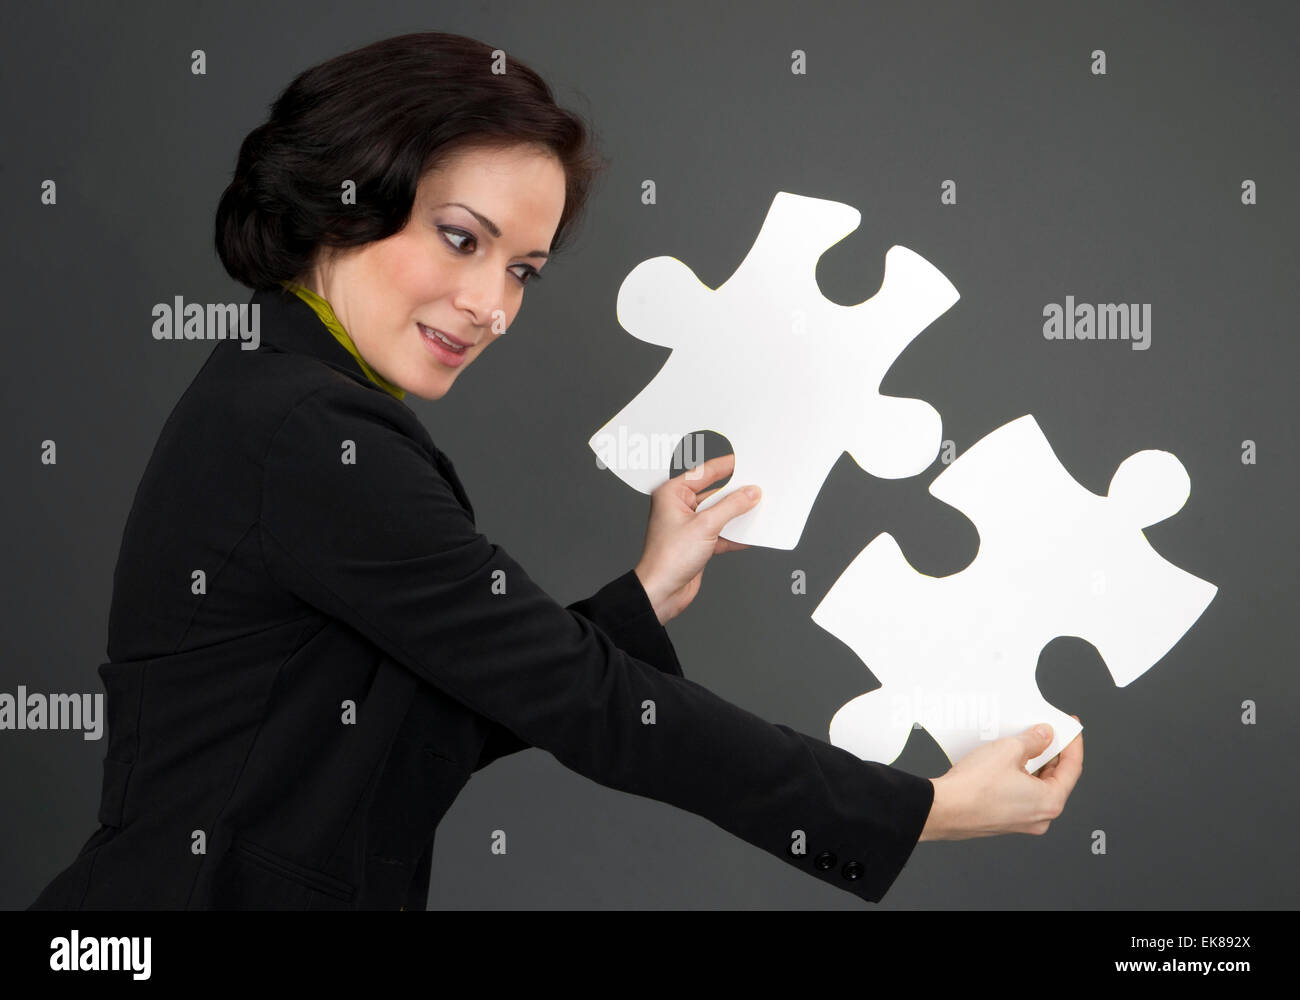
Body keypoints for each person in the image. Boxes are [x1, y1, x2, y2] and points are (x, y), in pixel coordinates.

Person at [28, 30, 1082, 911]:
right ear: (343, 200)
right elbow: (592, 705)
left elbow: (411, 720)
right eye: (459, 238)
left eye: (521, 269)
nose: (491, 305)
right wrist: (919, 811)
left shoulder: (278, 396)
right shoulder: (309, 431)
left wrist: (642, 598)